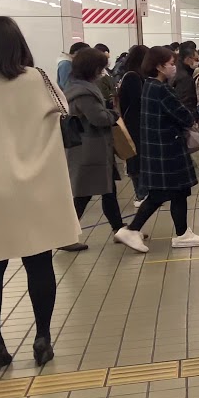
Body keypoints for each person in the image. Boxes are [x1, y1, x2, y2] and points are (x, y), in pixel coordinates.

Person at [0, 16, 79, 368]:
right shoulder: (39, 79)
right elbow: (66, 112)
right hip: (36, 191)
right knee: (39, 264)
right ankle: (42, 336)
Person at [112, 47, 199, 253]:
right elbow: (183, 116)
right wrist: (190, 117)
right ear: (159, 66)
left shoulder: (149, 86)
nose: (174, 67)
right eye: (171, 63)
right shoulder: (161, 89)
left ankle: (182, 233)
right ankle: (132, 229)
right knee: (159, 194)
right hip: (167, 149)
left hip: (161, 147)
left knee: (178, 192)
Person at [63, 48, 125, 251]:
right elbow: (97, 117)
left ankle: (119, 229)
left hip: (92, 148)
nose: (102, 71)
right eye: (100, 67)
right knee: (83, 195)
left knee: (108, 191)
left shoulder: (78, 87)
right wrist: (113, 116)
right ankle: (65, 236)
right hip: (90, 150)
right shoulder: (83, 92)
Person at [117, 45, 150, 203]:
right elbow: (138, 101)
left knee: (139, 157)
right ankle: (140, 193)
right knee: (136, 158)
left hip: (136, 122)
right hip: (134, 124)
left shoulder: (134, 75)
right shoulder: (132, 77)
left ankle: (144, 191)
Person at [171, 42, 199, 113]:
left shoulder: (177, 68)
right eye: (196, 59)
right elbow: (186, 104)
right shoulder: (185, 78)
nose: (198, 63)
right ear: (188, 58)